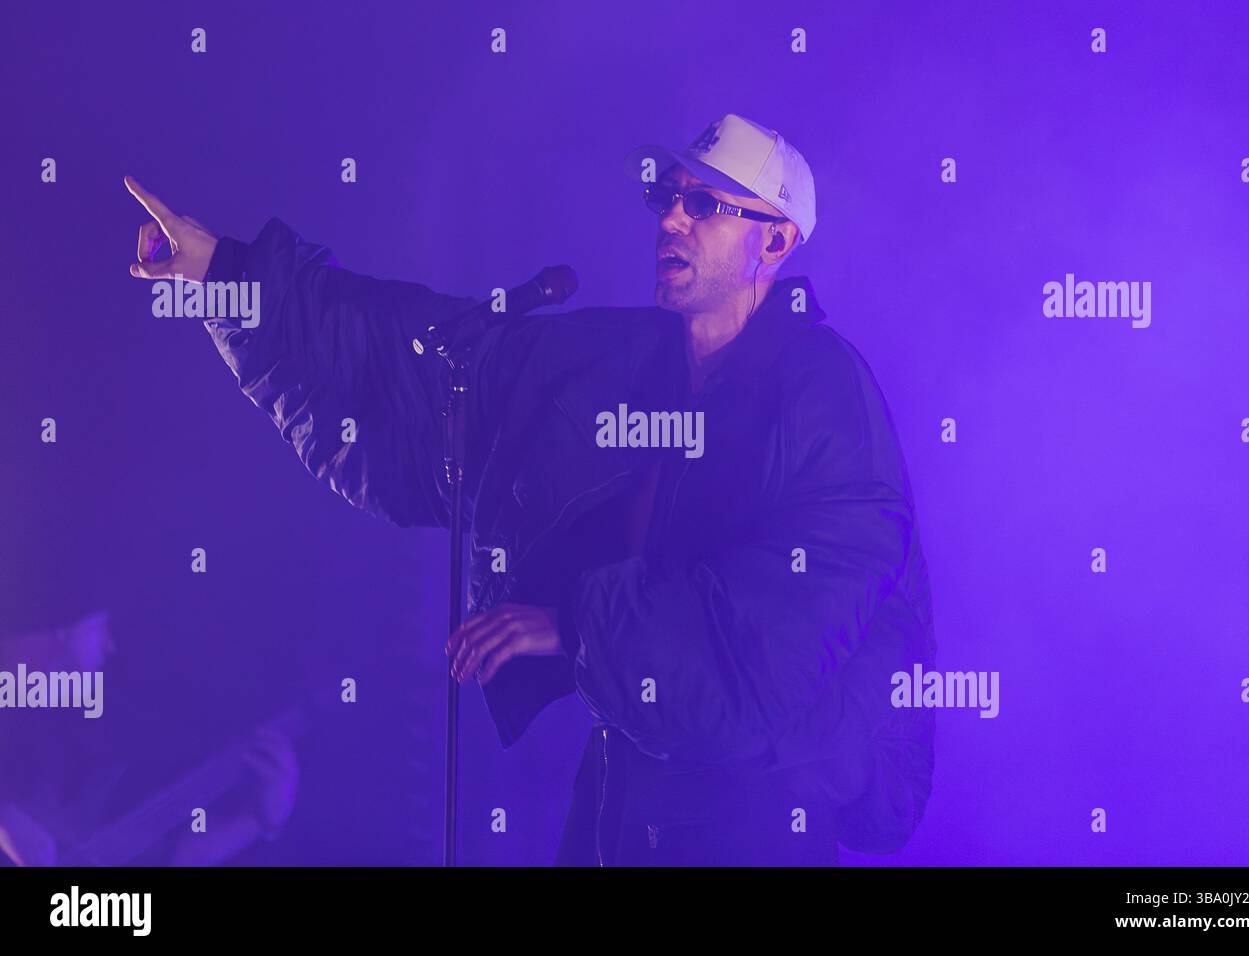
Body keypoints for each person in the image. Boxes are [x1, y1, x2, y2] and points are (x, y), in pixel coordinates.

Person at [124, 113, 937, 866]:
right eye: (665, 197)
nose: (670, 219)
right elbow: (425, 356)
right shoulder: (633, 364)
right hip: (627, 793)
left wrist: (577, 622)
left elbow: (775, 630)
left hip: (760, 813)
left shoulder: (824, 393)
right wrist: (228, 277)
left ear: (776, 241)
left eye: (703, 204)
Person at [0, 612, 299, 866]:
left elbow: (168, 856)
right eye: (97, 626)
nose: (109, 645)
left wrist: (260, 821)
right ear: (57, 631)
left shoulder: (90, 729)